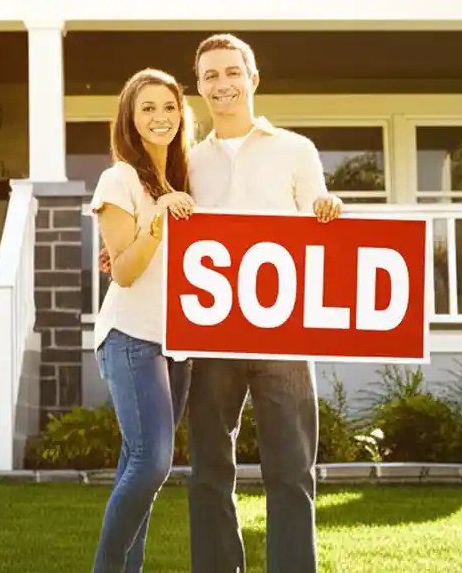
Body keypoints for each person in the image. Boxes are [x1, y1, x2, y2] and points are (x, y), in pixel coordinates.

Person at [185, 33, 341, 573]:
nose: (221, 84)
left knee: (292, 467)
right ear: (200, 86)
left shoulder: (296, 150)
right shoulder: (187, 161)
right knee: (207, 468)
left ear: (253, 78)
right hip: (209, 332)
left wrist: (327, 207)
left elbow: (318, 219)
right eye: (210, 75)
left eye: (232, 72)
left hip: (283, 331)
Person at [89, 67, 197, 573]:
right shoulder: (120, 178)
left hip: (178, 340)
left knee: (139, 467)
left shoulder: (187, 178)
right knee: (152, 460)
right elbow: (125, 272)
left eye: (170, 106)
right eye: (148, 108)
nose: (161, 117)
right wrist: (158, 220)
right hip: (131, 336)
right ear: (130, 120)